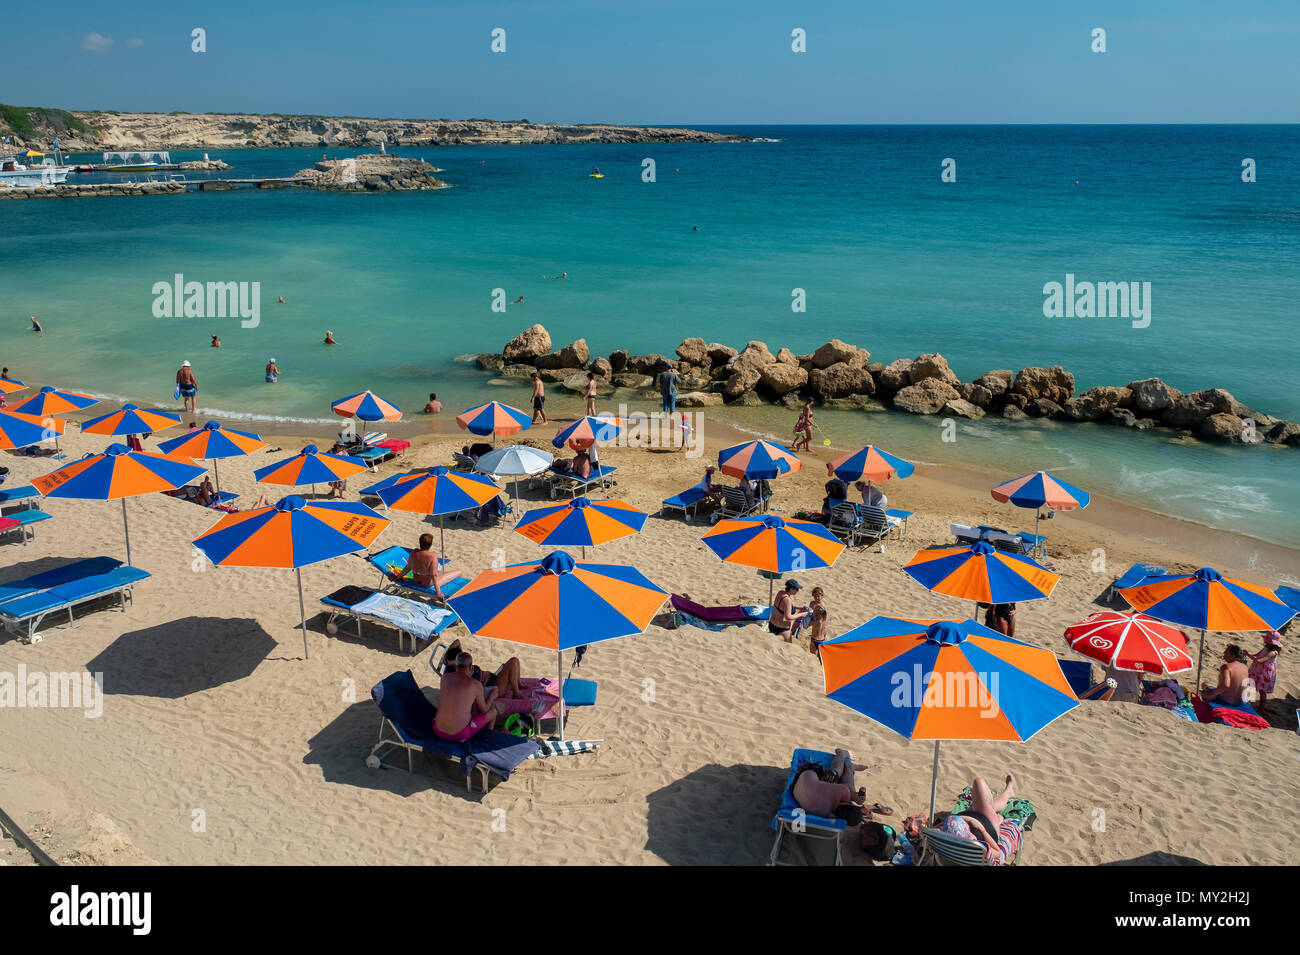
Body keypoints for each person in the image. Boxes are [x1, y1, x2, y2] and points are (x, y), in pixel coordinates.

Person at [937, 774, 1023, 865]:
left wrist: (963, 819)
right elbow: (997, 853)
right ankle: (1008, 792)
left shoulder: (943, 837)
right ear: (970, 837)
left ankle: (997, 816)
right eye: (971, 836)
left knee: (981, 802)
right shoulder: (979, 847)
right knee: (979, 783)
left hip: (966, 819)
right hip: (986, 824)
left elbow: (938, 827)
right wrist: (981, 829)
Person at [433, 651, 501, 742]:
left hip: (437, 730)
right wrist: (491, 697)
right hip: (458, 735)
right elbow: (484, 710)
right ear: (471, 667)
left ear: (456, 666)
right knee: (493, 712)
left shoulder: (444, 678)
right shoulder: (475, 684)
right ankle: (486, 740)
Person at [790, 748, 869, 826]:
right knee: (834, 780)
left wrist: (854, 797)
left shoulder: (843, 792)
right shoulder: (826, 814)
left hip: (806, 772)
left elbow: (847, 790)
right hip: (794, 788)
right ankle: (849, 765)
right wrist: (854, 798)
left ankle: (844, 757)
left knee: (834, 775)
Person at [388, 533, 458, 597]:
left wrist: (397, 577)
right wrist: (438, 593)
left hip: (416, 579)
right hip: (427, 583)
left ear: (419, 542)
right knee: (458, 572)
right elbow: (434, 575)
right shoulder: (432, 556)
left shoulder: (413, 553)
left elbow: (407, 568)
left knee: (441, 572)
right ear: (430, 544)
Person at [1248, 632, 1282, 707]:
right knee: (1251, 685)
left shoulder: (1273, 652)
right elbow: (1257, 654)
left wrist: (1248, 655)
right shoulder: (1266, 648)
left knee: (1262, 691)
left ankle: (1261, 708)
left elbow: (1260, 660)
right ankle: (1249, 702)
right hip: (1258, 670)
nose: (1264, 641)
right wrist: (1249, 653)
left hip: (1265, 673)